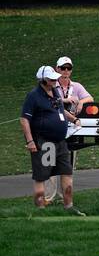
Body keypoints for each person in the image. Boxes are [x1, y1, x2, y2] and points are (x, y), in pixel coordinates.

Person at [21, 65, 80, 214]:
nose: (55, 80)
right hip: (45, 142)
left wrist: (73, 119)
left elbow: (61, 109)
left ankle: (69, 206)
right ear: (43, 80)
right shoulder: (34, 96)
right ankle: (41, 209)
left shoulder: (54, 92)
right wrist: (30, 141)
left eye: (55, 78)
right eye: (52, 78)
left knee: (67, 172)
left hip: (61, 142)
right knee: (42, 175)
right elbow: (24, 119)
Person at [45, 56, 93, 204]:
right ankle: (48, 197)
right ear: (57, 69)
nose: (66, 71)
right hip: (52, 130)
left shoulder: (76, 86)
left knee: (67, 165)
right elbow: (48, 101)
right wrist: (64, 100)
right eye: (63, 68)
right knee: (50, 163)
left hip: (71, 130)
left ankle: (63, 197)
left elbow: (90, 98)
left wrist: (80, 102)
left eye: (68, 68)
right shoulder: (52, 85)